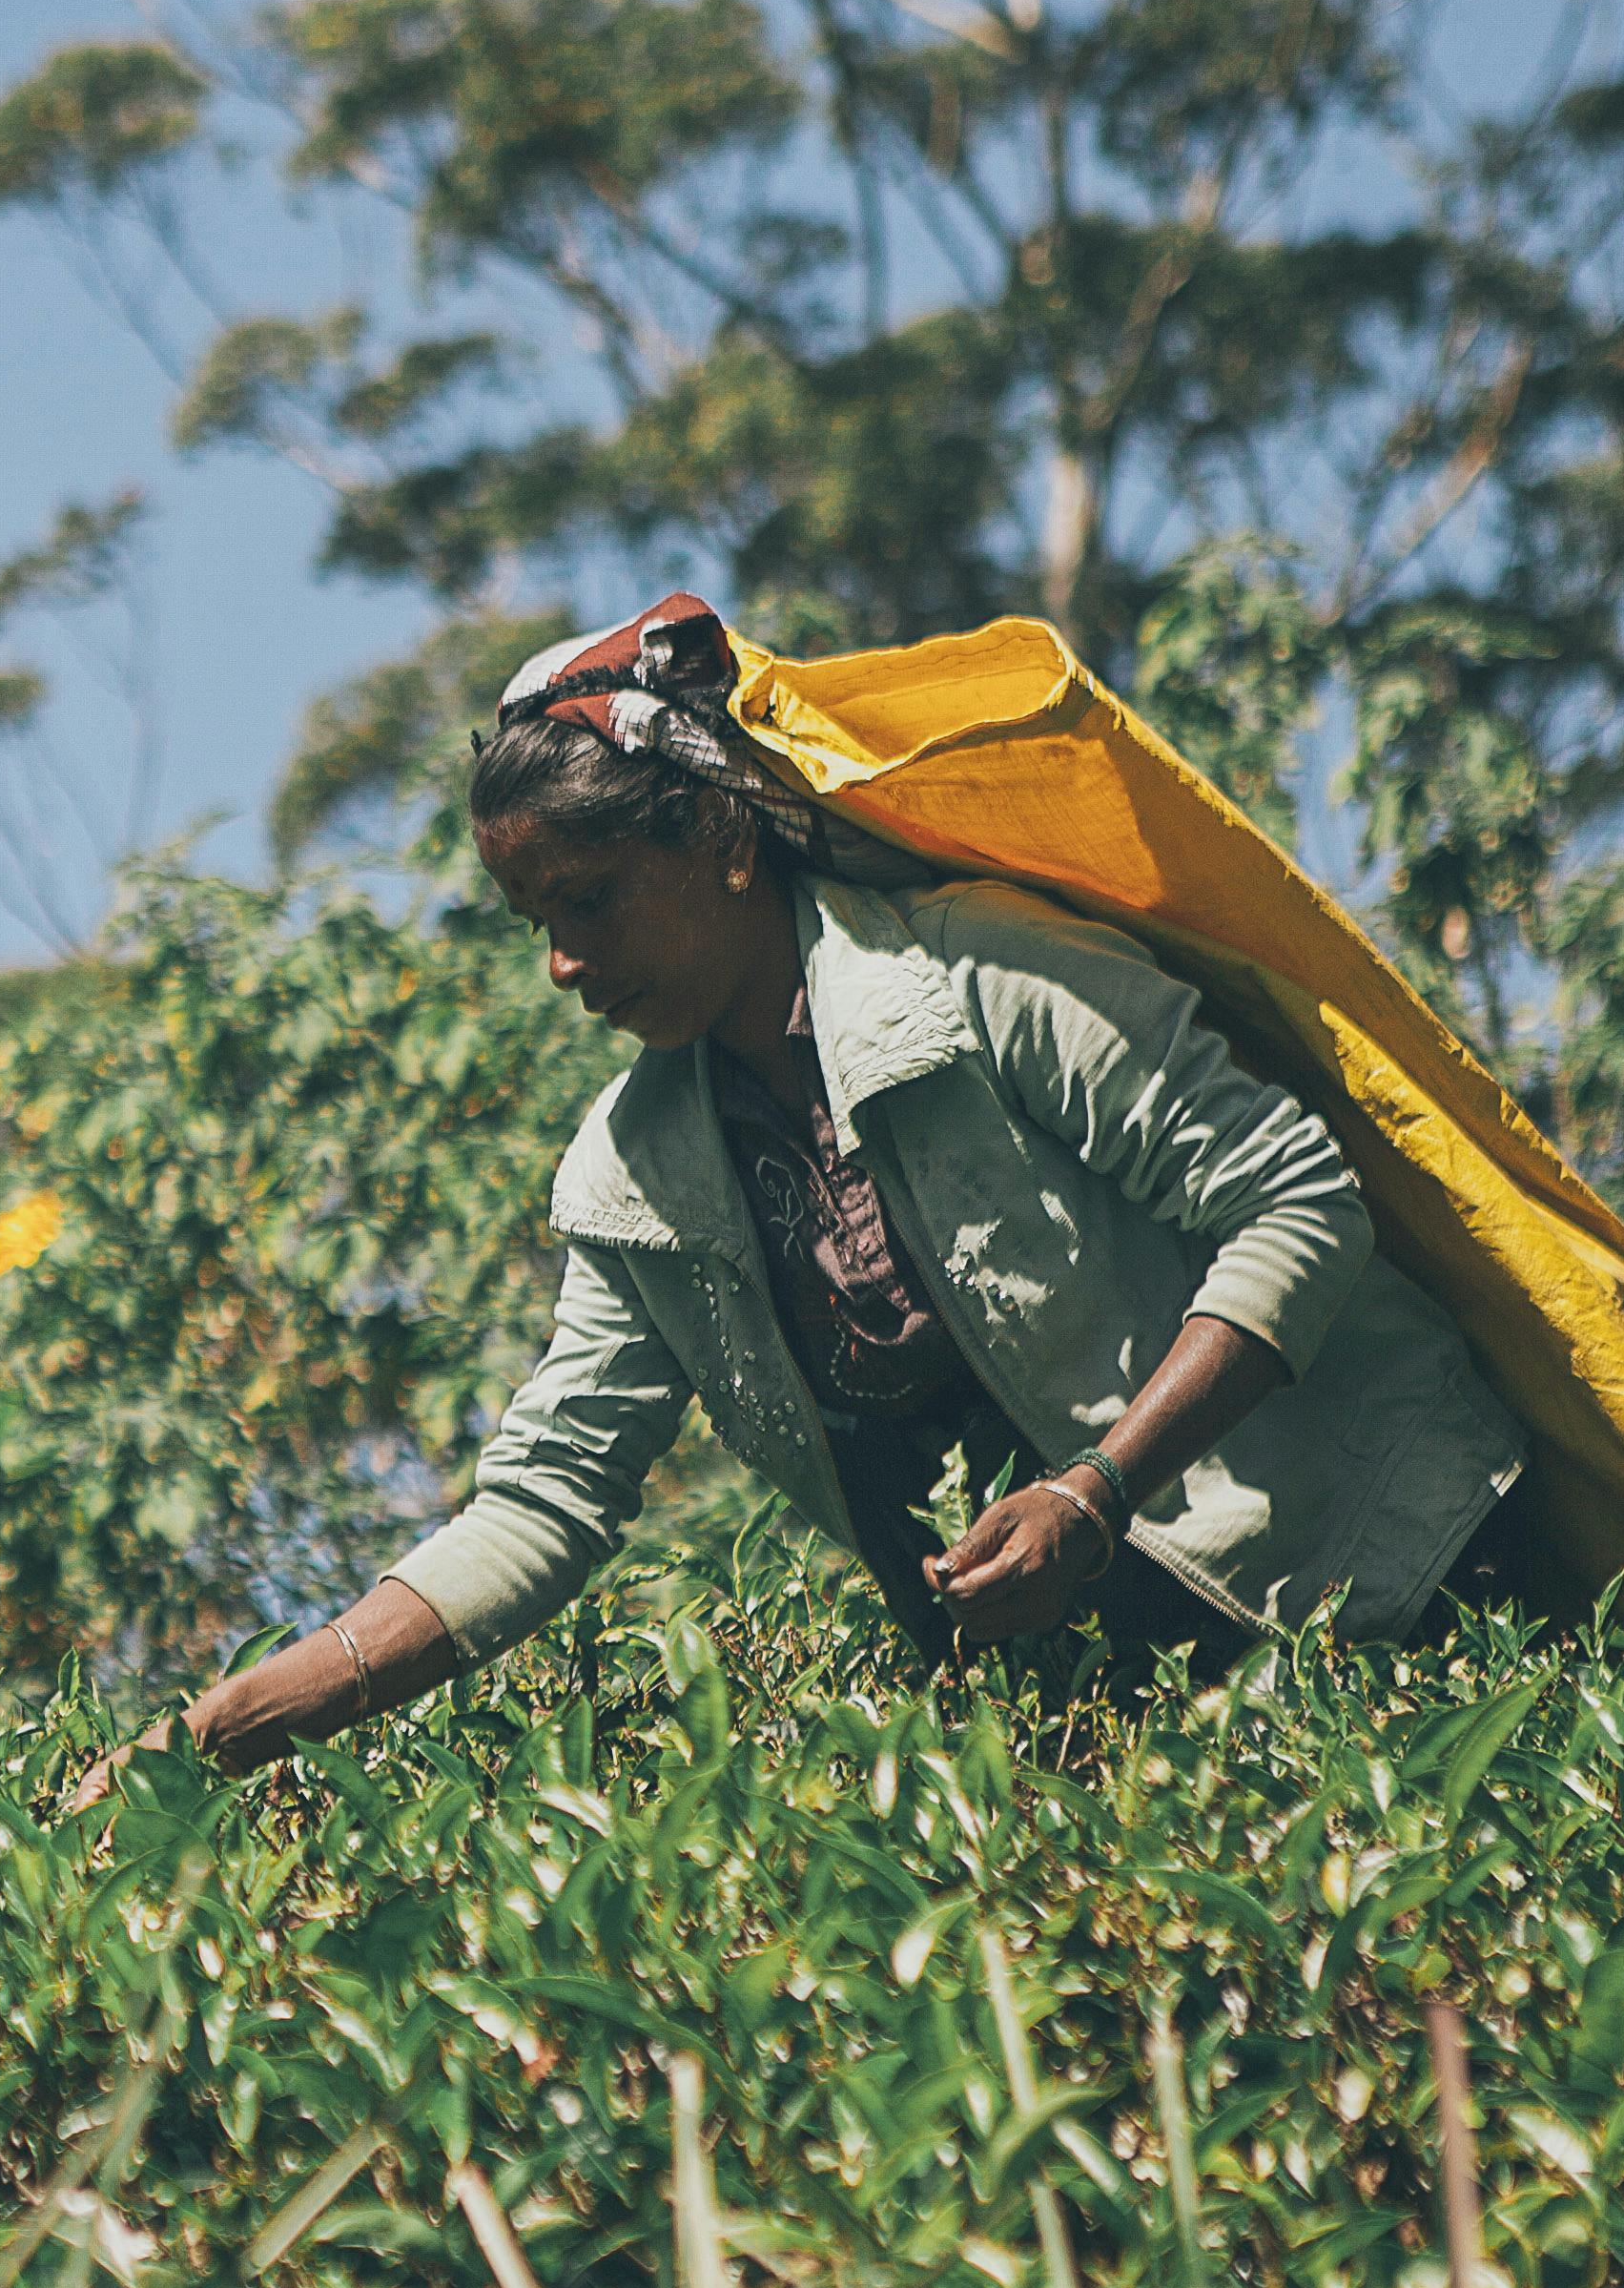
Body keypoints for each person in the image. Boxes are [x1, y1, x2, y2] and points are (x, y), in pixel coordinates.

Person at [77, 595, 1528, 1799]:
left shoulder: (984, 979)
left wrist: (1097, 1489)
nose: (563, 965)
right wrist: (227, 1727)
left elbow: (1295, 1205)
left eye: (590, 901)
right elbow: (544, 1500)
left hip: (1405, 1578)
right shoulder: (639, 1172)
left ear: (720, 842)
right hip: (1148, 1705)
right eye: (536, 924)